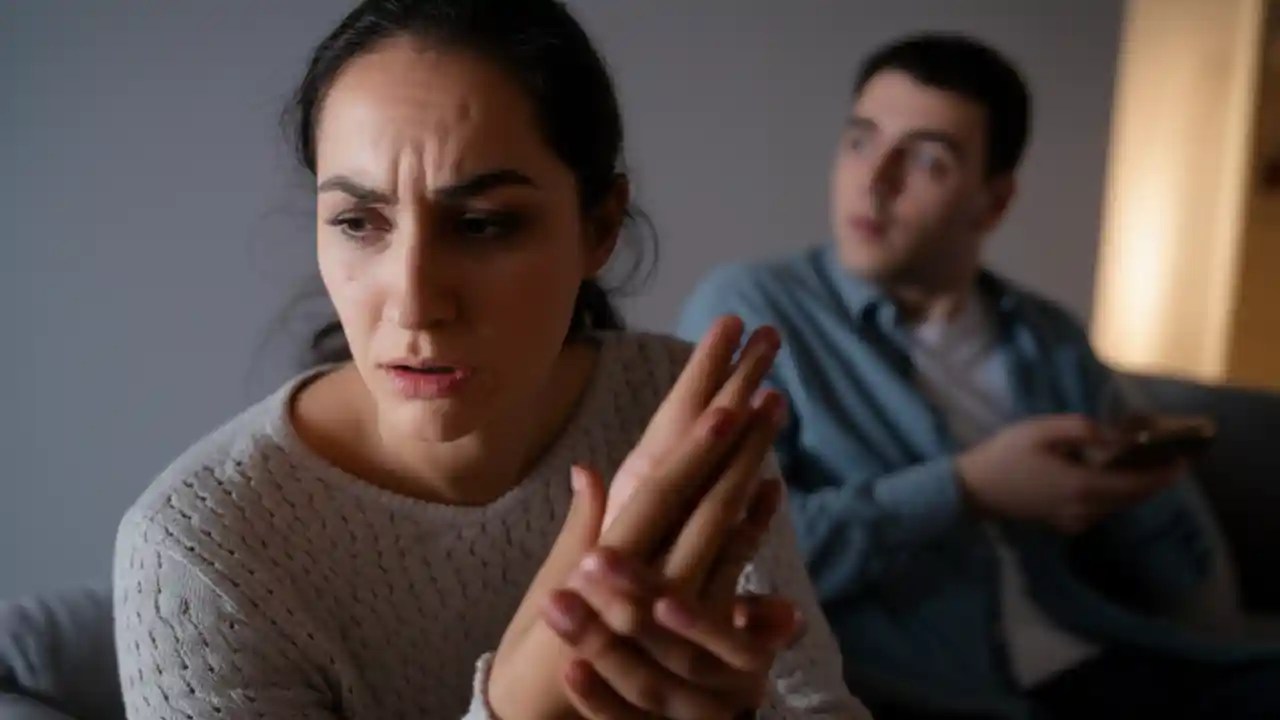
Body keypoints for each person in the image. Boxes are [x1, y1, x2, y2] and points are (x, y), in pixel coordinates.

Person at [112, 2, 870, 718]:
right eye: (356, 221)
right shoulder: (201, 551)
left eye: (481, 225)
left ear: (599, 227)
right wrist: (520, 702)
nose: (413, 303)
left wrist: (738, 709)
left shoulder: (670, 416)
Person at [677, 33, 1280, 720]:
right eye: (860, 141)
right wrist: (966, 489)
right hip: (926, 691)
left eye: (928, 160)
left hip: (1109, 658)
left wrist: (1137, 486)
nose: (875, 182)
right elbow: (739, 555)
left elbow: (1182, 581)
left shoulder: (1046, 336)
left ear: (992, 203)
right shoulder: (752, 310)